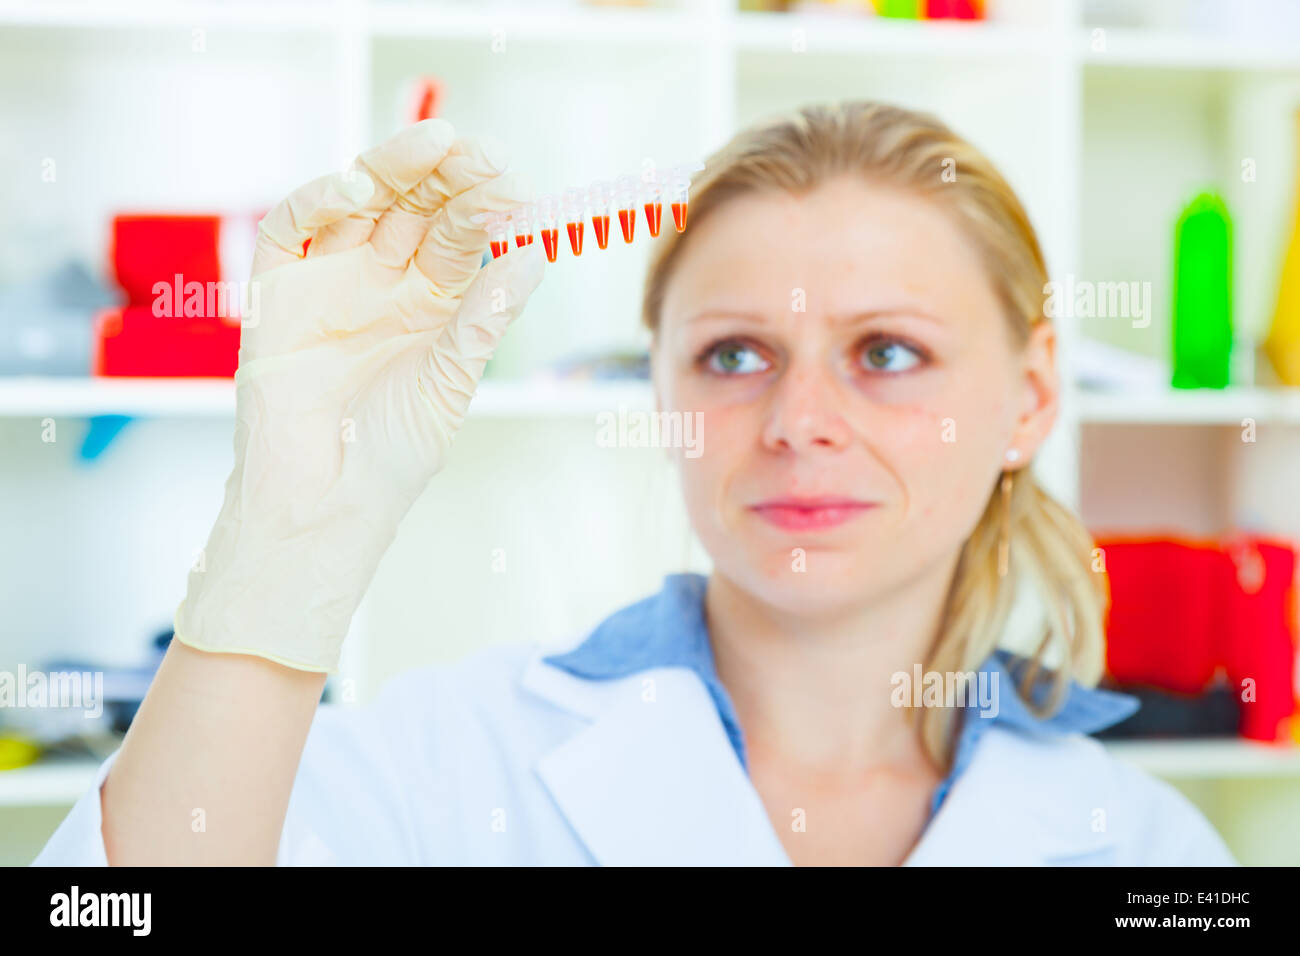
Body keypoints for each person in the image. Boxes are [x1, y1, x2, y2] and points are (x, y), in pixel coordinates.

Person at [35, 102, 1236, 866]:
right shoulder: (450, 761)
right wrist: (280, 536)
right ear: (658, 386)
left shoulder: (1144, 851)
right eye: (733, 354)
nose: (798, 422)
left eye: (886, 352)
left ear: (1028, 396)